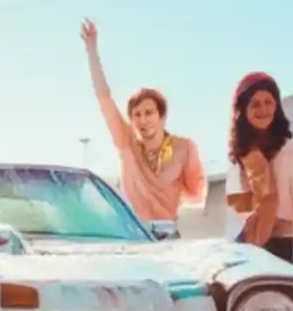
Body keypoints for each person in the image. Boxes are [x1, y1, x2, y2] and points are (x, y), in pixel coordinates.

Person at [79, 18, 207, 222]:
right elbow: (104, 97)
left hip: (168, 237)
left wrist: (171, 193)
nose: (143, 120)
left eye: (149, 113)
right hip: (134, 237)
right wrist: (92, 50)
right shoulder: (127, 142)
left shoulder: (184, 148)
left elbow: (197, 193)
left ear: (162, 116)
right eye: (137, 115)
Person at [225, 72, 293, 263]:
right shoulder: (246, 151)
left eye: (268, 102)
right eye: (254, 104)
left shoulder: (287, 145)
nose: (263, 109)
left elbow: (285, 192)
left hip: (286, 237)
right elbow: (245, 203)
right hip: (258, 239)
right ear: (243, 111)